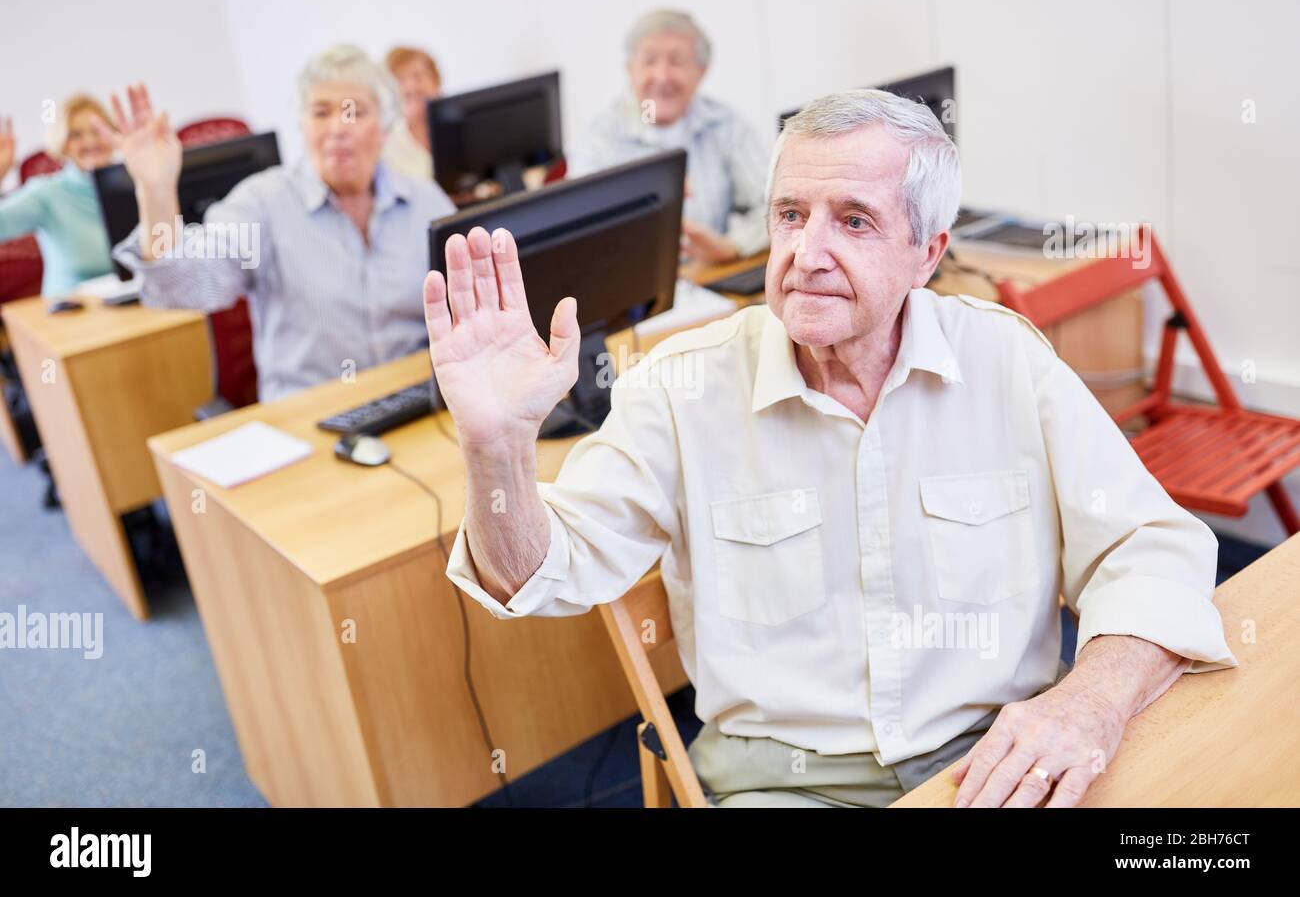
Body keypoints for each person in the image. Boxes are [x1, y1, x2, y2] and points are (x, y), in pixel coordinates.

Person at [423, 88, 1237, 808]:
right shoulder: (680, 386)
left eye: (853, 220)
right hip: (781, 779)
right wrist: (496, 448)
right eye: (789, 215)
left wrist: (1088, 701)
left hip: (990, 756)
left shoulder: (1006, 360)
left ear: (928, 252)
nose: (807, 254)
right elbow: (538, 577)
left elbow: (1152, 545)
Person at [104, 45, 455, 401]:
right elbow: (180, 286)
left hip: (420, 403)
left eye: (355, 112)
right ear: (302, 125)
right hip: (312, 417)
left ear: (384, 128)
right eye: (320, 113)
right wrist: (156, 190)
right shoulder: (263, 203)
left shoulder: (425, 201)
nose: (337, 128)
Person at [567, 9, 770, 265]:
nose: (662, 77)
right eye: (649, 61)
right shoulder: (596, 140)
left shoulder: (726, 124)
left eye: (676, 62)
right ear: (631, 70)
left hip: (710, 275)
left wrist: (734, 246)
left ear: (701, 72)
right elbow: (580, 233)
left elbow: (776, 205)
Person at [0, 97, 116, 296]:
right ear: (62, 143)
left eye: (97, 130)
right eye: (76, 135)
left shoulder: (136, 184)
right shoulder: (47, 192)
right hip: (72, 312)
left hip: (134, 307)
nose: (90, 141)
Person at [382, 45, 441, 181]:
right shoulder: (385, 146)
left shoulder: (460, 130)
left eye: (419, 77)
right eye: (400, 80)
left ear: (436, 82)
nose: (410, 88)